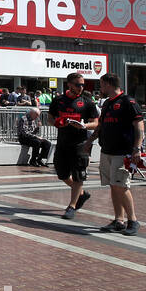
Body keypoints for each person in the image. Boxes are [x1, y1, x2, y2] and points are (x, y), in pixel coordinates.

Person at [95, 72, 144, 235]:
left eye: (101, 84)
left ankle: (133, 220)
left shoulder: (128, 102)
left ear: (108, 84)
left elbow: (139, 126)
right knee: (113, 185)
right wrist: (89, 142)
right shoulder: (108, 103)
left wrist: (137, 148)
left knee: (122, 185)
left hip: (122, 152)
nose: (100, 88)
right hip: (107, 150)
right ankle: (118, 220)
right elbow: (101, 125)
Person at [49, 71, 99, 220]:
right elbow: (50, 118)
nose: (81, 87)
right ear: (69, 84)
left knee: (78, 176)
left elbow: (96, 123)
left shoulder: (88, 102)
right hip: (62, 142)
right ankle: (81, 194)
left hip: (80, 144)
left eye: (83, 85)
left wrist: (83, 126)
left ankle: (72, 206)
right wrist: (57, 123)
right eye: (78, 85)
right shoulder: (58, 100)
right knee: (62, 174)